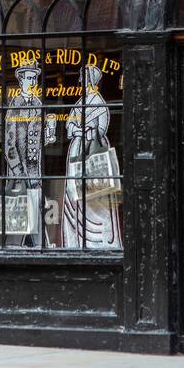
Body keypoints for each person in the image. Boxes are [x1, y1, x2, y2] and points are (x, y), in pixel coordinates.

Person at [60, 64, 121, 249]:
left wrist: (84, 130)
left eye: (85, 79)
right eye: (82, 79)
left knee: (94, 198)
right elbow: (69, 126)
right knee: (74, 196)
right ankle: (74, 243)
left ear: (92, 81)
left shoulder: (99, 104)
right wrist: (77, 129)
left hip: (91, 156)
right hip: (76, 153)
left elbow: (100, 131)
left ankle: (98, 244)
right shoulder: (80, 102)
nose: (82, 82)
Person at [0, 63, 56, 248]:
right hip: (19, 176)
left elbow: (40, 143)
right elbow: (9, 146)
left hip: (35, 174)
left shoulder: (39, 105)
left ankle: (41, 249)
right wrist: (19, 172)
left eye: (35, 78)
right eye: (29, 78)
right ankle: (12, 251)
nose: (33, 82)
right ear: (21, 79)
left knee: (36, 217)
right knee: (18, 219)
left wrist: (49, 133)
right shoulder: (15, 105)